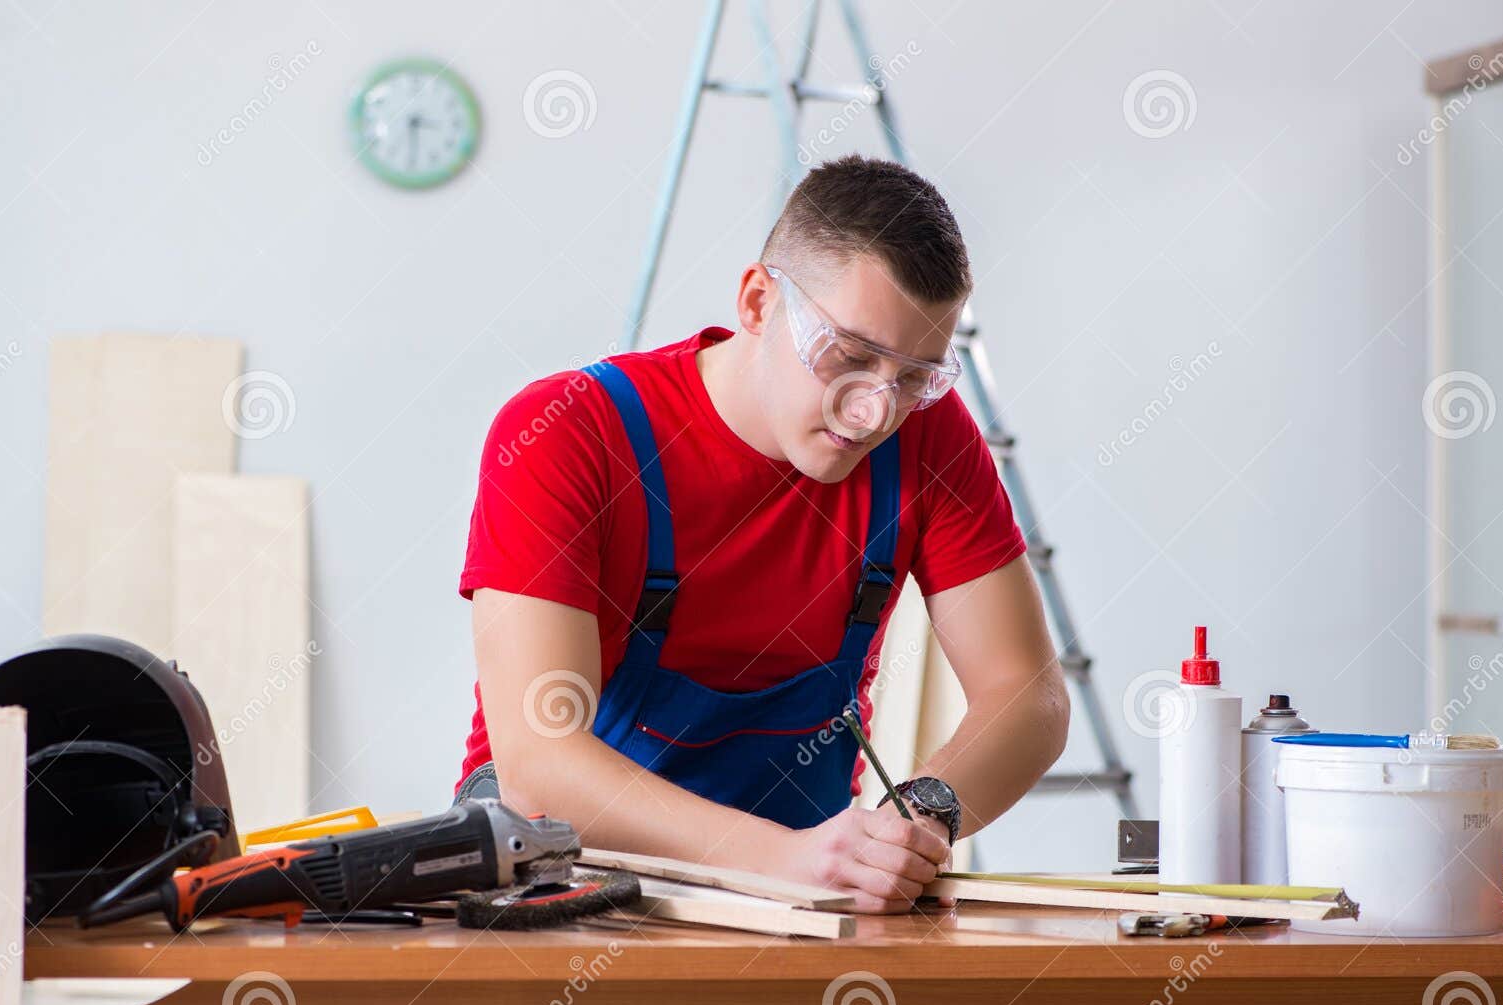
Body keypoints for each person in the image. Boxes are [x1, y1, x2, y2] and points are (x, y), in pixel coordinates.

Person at [457, 155, 1067, 913]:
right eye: (849, 357)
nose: (873, 412)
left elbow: (1028, 696)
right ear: (757, 301)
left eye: (915, 377)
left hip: (798, 914)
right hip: (563, 895)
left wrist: (915, 821)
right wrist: (783, 860)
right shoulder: (567, 432)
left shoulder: (929, 438)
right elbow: (538, 763)